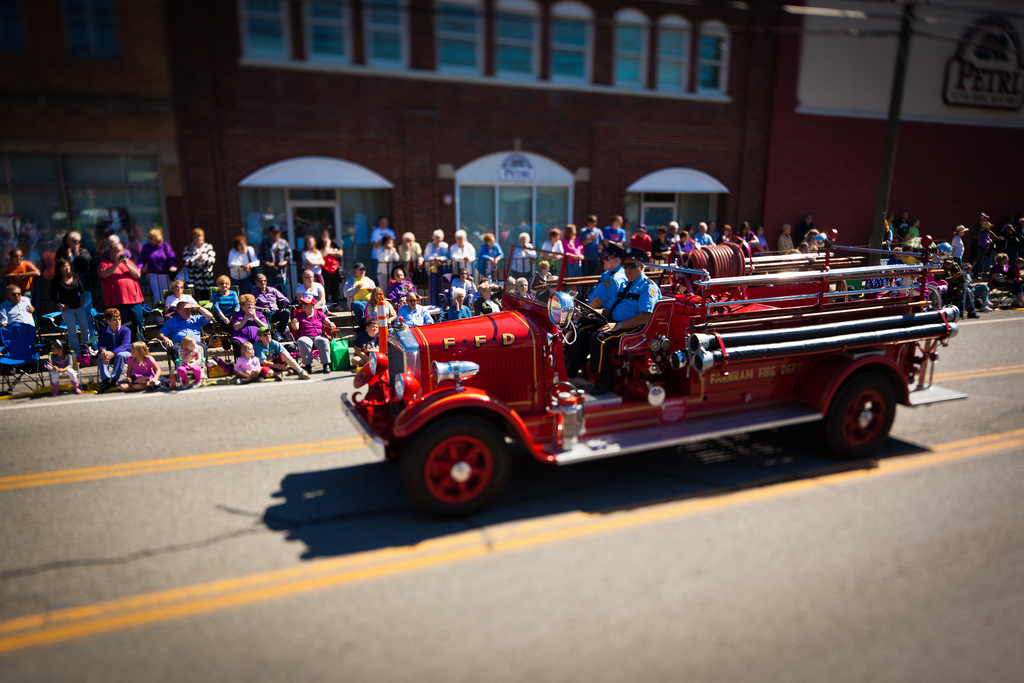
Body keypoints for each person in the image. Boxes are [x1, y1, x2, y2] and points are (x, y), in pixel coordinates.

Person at [589, 247, 659, 394]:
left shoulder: (648, 287)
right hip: (617, 324)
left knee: (599, 339)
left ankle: (604, 379)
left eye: (632, 266)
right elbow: (612, 309)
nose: (628, 269)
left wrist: (618, 325)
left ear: (642, 266)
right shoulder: (625, 285)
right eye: (625, 266)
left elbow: (645, 317)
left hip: (635, 328)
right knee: (585, 328)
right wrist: (590, 313)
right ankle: (582, 370)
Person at [564, 243, 628, 379]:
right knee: (578, 328)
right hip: (605, 314)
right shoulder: (618, 274)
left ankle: (566, 372)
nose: (603, 260)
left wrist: (579, 314)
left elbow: (594, 304)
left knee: (577, 329)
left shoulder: (611, 279)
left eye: (607, 257)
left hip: (601, 315)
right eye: (603, 257)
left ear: (617, 260)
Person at [97, 236, 146, 342]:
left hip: (134, 300)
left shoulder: (128, 262)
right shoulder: (105, 263)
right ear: (111, 251)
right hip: (116, 302)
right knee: (121, 326)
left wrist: (126, 264)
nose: (119, 253)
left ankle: (139, 345)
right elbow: (104, 275)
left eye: (120, 251)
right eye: (117, 251)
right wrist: (117, 263)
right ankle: (125, 345)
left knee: (138, 323)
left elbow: (137, 275)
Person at [49, 258, 90, 353]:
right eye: (64, 267)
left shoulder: (74, 276)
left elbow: (80, 288)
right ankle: (75, 351)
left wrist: (83, 298)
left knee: (85, 329)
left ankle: (85, 349)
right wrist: (60, 304)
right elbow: (53, 294)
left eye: (68, 266)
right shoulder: (56, 280)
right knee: (72, 332)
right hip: (67, 309)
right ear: (59, 268)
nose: (67, 268)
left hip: (78, 306)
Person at [290, 294, 336, 374]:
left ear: (312, 304)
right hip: (305, 336)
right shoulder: (299, 315)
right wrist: (294, 324)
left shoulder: (319, 314)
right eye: (302, 303)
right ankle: (308, 366)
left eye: (306, 303)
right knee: (303, 341)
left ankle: (326, 365)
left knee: (324, 341)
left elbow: (329, 323)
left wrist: (331, 324)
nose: (303, 305)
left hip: (318, 336)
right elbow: (296, 328)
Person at [97, 308, 133, 391]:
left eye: (119, 319)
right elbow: (101, 344)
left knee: (120, 355)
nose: (118, 321)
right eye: (115, 320)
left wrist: (113, 353)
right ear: (108, 321)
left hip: (124, 352)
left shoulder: (126, 330)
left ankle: (114, 380)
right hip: (109, 352)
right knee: (102, 355)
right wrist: (102, 350)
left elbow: (125, 345)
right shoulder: (102, 331)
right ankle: (105, 381)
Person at [137, 228, 177, 304]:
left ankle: (169, 313)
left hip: (165, 274)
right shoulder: (146, 247)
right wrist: (138, 268)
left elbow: (172, 257)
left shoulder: (165, 246)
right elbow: (141, 259)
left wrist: (172, 266)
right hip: (153, 274)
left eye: (152, 237)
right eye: (149, 237)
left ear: (158, 237)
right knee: (157, 296)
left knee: (167, 295)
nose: (150, 239)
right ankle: (159, 314)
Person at [252, 274, 291, 339]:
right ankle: (268, 333)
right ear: (256, 282)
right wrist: (261, 308)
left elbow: (285, 299)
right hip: (265, 314)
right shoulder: (255, 292)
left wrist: (285, 306)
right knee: (266, 312)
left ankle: (279, 333)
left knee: (286, 312)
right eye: (260, 281)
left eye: (264, 281)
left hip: (275, 312)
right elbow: (252, 305)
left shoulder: (272, 290)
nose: (263, 283)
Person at [230, 293, 268, 357]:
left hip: (257, 337)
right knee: (236, 343)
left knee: (265, 339)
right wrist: (247, 318)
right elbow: (236, 327)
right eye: (248, 305)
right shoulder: (237, 315)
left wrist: (255, 318)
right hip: (241, 338)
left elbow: (265, 327)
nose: (250, 307)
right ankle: (240, 362)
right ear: (242, 306)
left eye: (252, 305)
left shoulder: (259, 314)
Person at [258, 226, 292, 292]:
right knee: (270, 292)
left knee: (282, 292)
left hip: (281, 272)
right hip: (268, 273)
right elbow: (260, 256)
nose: (275, 234)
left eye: (277, 233)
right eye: (273, 233)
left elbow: (289, 256)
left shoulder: (283, 243)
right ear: (269, 233)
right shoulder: (264, 243)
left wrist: (284, 262)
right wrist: (266, 263)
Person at [344, 263, 376, 328]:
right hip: (356, 301)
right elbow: (346, 294)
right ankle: (363, 326)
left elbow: (376, 291)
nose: (363, 271)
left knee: (372, 305)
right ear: (355, 271)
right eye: (360, 269)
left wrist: (372, 290)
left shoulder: (368, 280)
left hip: (369, 301)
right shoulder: (350, 281)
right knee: (359, 306)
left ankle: (373, 325)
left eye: (364, 269)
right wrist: (356, 288)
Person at [424, 229, 450, 307]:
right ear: (433, 238)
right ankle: (433, 303)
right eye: (436, 237)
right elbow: (426, 256)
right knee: (433, 286)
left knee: (441, 286)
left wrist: (440, 259)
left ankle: (442, 303)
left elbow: (447, 256)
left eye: (439, 238)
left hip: (442, 268)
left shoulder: (444, 245)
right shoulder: (430, 245)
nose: (438, 239)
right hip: (432, 268)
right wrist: (434, 259)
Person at [319, 229, 343, 307]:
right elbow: (322, 254)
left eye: (326, 234)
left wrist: (330, 252)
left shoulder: (334, 244)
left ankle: (336, 305)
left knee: (335, 289)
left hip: (335, 269)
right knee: (325, 288)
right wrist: (328, 245)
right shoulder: (318, 245)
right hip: (324, 270)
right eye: (323, 235)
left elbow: (340, 253)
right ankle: (324, 306)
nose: (325, 236)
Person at [369, 216, 395, 283]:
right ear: (379, 222)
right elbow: (375, 245)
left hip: (389, 257)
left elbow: (393, 244)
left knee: (390, 276)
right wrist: (384, 240)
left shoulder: (390, 231)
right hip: (377, 257)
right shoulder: (376, 231)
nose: (384, 223)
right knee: (377, 276)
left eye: (385, 222)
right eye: (382, 222)